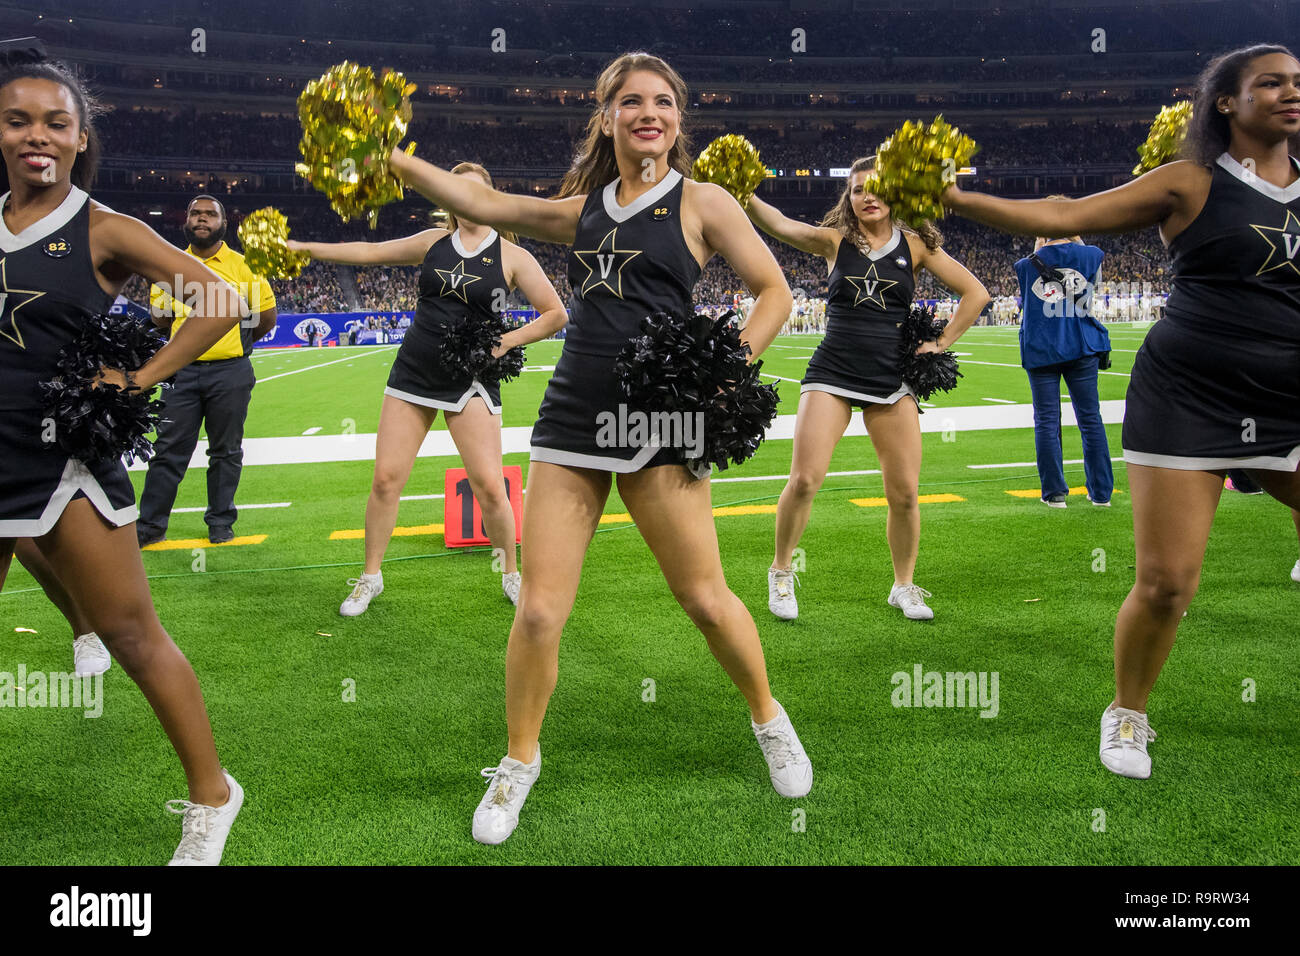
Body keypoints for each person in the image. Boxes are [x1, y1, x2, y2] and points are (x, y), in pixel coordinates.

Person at [387, 52, 813, 845]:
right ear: (607, 117)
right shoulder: (580, 210)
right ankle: (519, 760)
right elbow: (479, 199)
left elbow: (775, 290)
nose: (647, 112)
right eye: (630, 102)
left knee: (706, 601)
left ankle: (768, 717)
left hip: (661, 423)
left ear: (677, 120)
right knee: (542, 610)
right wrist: (390, 155)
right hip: (573, 418)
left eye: (661, 101)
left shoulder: (704, 201)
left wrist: (728, 370)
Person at [943, 43, 1300, 779]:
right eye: (1271, 83)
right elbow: (1067, 212)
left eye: (1297, 82)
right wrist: (957, 199)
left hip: (1290, 400)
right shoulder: (1189, 181)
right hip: (1189, 397)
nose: (1291, 93)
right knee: (1167, 582)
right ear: (1227, 103)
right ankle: (1128, 712)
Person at [0, 49, 247, 863]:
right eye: (18, 120)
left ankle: (214, 794)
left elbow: (220, 300)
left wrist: (138, 377)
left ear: (79, 139)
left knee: (134, 635)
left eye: (56, 123)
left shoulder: (103, 227)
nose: (37, 135)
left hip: (64, 464)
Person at [285, 162, 567, 612]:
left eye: (475, 192)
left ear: (491, 198)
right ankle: (370, 577)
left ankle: (512, 574)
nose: (467, 201)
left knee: (491, 487)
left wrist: (503, 343)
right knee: (385, 480)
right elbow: (369, 252)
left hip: (471, 378)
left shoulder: (513, 257)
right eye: (457, 192)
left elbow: (555, 314)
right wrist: (305, 247)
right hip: (414, 372)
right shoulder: (432, 243)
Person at [745, 156, 989, 621]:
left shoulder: (916, 246)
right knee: (804, 480)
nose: (866, 197)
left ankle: (903, 585)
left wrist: (940, 343)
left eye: (875, 189)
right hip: (832, 371)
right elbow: (779, 225)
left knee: (904, 493)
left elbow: (976, 293)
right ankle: (780, 572)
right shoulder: (835, 240)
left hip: (891, 378)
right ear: (848, 197)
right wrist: (747, 194)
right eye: (857, 190)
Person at [135, 194, 277, 546]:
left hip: (229, 372)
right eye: (195, 213)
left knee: (226, 450)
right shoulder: (169, 265)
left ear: (223, 222)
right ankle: (150, 526)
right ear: (185, 221)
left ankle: (220, 522)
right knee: (168, 451)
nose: (202, 219)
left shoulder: (245, 266)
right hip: (179, 373)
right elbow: (160, 319)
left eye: (209, 214)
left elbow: (266, 318)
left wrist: (233, 344)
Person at [1013, 218, 1114, 508]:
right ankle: (1101, 493)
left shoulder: (1025, 265)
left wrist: (1040, 245)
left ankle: (1055, 493)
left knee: (1046, 421)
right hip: (1081, 344)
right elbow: (1092, 284)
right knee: (1090, 419)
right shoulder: (1093, 254)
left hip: (1041, 347)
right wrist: (1075, 238)